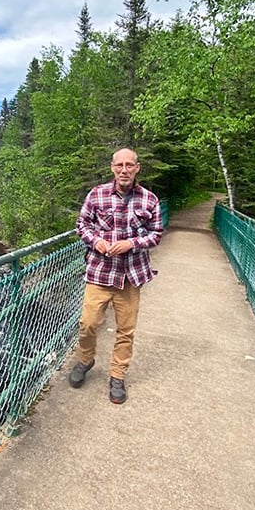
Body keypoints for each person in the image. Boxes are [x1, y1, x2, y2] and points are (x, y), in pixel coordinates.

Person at [69, 147, 164, 404]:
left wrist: (132, 243)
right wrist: (96, 241)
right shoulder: (97, 194)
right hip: (99, 272)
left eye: (129, 165)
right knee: (88, 323)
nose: (124, 170)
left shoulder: (149, 199)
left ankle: (118, 375)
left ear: (137, 168)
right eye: (119, 165)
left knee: (126, 330)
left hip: (131, 275)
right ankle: (85, 360)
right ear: (112, 168)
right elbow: (82, 225)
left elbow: (156, 233)